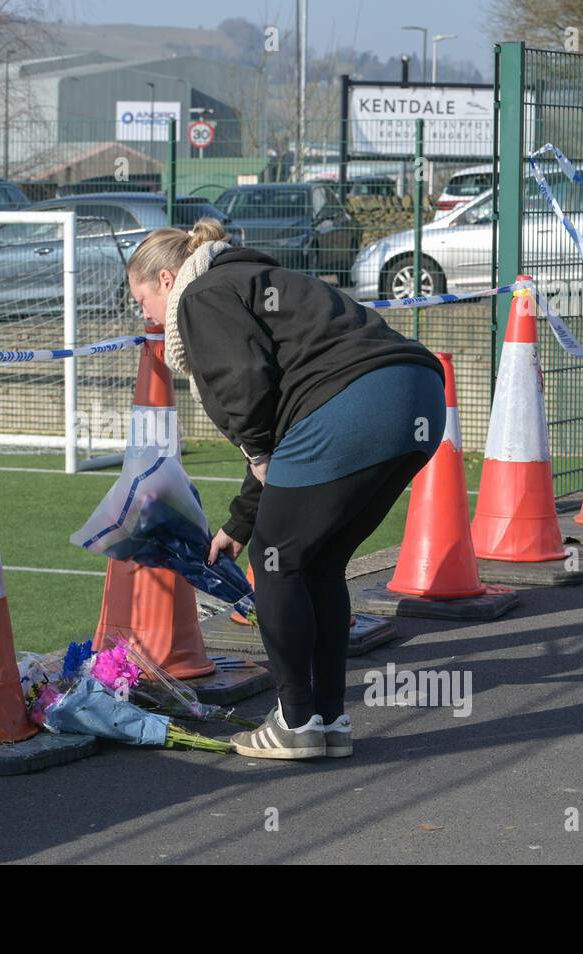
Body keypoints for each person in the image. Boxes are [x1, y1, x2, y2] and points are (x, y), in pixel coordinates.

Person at [126, 218, 446, 760]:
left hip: (355, 404)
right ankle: (327, 721)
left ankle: (295, 722)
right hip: (417, 398)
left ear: (166, 278)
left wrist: (255, 465)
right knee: (315, 562)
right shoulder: (251, 278)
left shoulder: (201, 296)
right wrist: (240, 520)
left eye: (140, 299)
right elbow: (280, 433)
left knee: (276, 561)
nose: (143, 315)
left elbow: (248, 388)